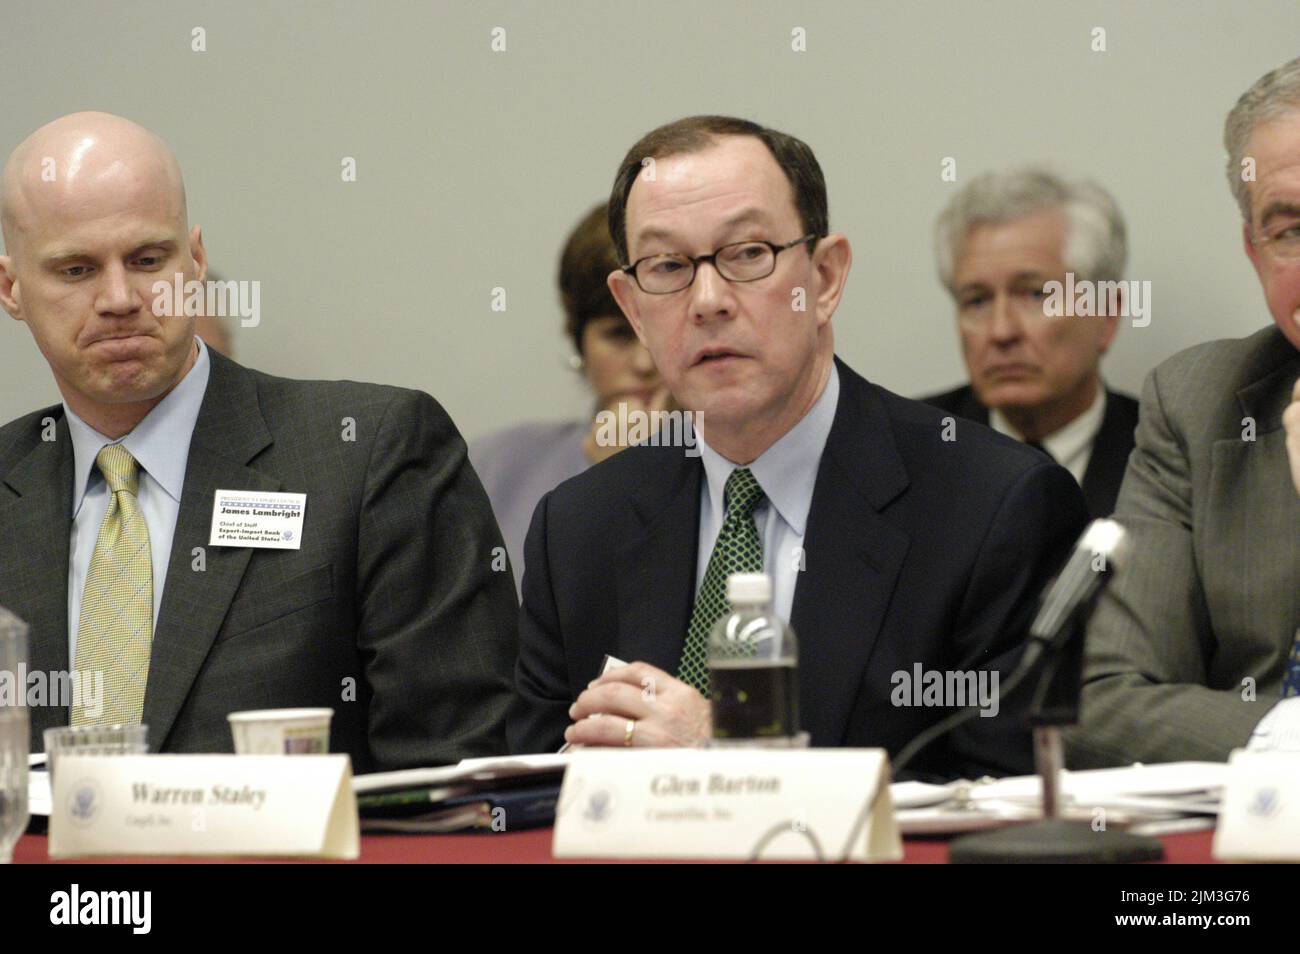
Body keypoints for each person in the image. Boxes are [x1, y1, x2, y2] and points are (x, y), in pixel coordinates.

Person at [508, 115, 1089, 780]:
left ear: (826, 277)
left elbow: (1003, 807)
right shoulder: (577, 529)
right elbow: (525, 803)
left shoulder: (994, 508)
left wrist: (730, 758)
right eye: (667, 266)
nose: (707, 300)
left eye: (748, 254)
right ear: (634, 307)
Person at [0, 112, 518, 771]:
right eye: (76, 270)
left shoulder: (370, 453)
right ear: (12, 288)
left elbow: (451, 776)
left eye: (148, 259)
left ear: (196, 260)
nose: (120, 297)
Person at [1064, 57, 1300, 767]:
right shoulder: (1201, 403)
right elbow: (1104, 702)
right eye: (1290, 229)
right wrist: (1286, 741)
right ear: (1253, 250)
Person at [470, 203, 670, 597]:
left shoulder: (737, 467)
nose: (644, 363)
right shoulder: (497, 465)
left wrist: (636, 479)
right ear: (579, 339)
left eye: (658, 334)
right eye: (618, 334)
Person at [924, 168, 1138, 518]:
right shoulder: (908, 449)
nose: (1001, 332)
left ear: (1107, 314)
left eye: (1036, 294)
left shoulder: (1164, 457)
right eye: (977, 301)